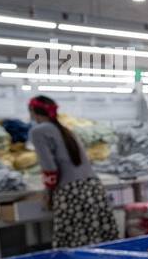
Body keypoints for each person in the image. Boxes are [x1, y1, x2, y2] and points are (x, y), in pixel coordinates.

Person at [27, 95, 118, 248]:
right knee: (98, 241)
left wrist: (48, 194)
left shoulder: (38, 131)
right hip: (92, 188)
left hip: (71, 193)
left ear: (33, 112)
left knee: (75, 243)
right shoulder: (66, 130)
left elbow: (49, 168)